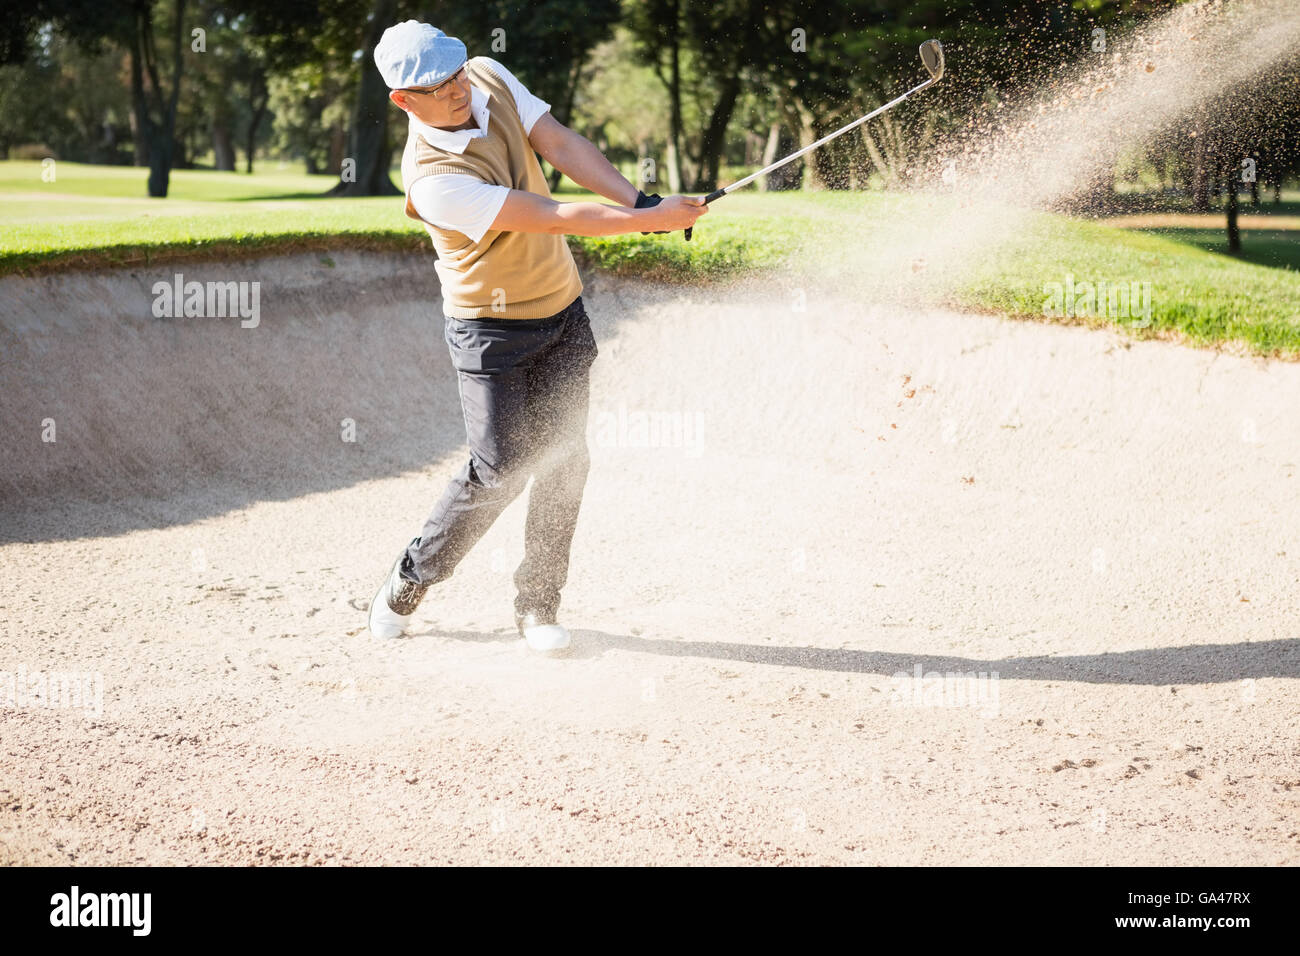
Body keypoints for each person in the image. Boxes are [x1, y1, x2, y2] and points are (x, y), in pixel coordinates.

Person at [367, 21, 708, 652]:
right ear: (404, 101)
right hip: (488, 330)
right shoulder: (433, 179)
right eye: (438, 87)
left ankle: (539, 605)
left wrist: (641, 201)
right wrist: (643, 223)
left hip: (560, 308)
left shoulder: (488, 78)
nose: (457, 89)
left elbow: (558, 144)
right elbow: (552, 216)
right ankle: (412, 575)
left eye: (457, 72)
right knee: (499, 468)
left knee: (566, 459)